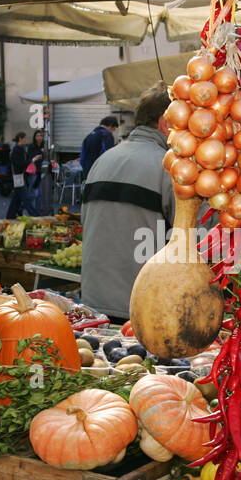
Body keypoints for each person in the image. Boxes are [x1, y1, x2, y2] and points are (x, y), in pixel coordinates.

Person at [80, 87, 175, 324]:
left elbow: (85, 223)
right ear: (166, 124)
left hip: (93, 303)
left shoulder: (103, 161)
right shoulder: (169, 168)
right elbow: (197, 237)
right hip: (140, 307)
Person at [5, 131, 37, 219]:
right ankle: (35, 215)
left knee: (16, 199)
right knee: (25, 199)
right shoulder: (17, 150)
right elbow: (19, 163)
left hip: (19, 176)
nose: (26, 140)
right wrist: (31, 160)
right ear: (20, 139)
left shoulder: (19, 149)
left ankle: (10, 216)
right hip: (19, 176)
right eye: (24, 138)